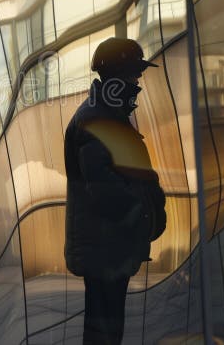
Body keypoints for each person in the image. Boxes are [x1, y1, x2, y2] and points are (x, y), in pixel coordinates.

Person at [64, 37, 167, 344]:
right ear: (118, 75)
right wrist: (145, 213)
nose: (137, 84)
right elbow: (106, 190)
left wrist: (150, 206)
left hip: (108, 248)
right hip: (105, 250)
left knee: (106, 331)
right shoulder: (98, 119)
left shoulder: (107, 116)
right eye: (134, 75)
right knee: (104, 334)